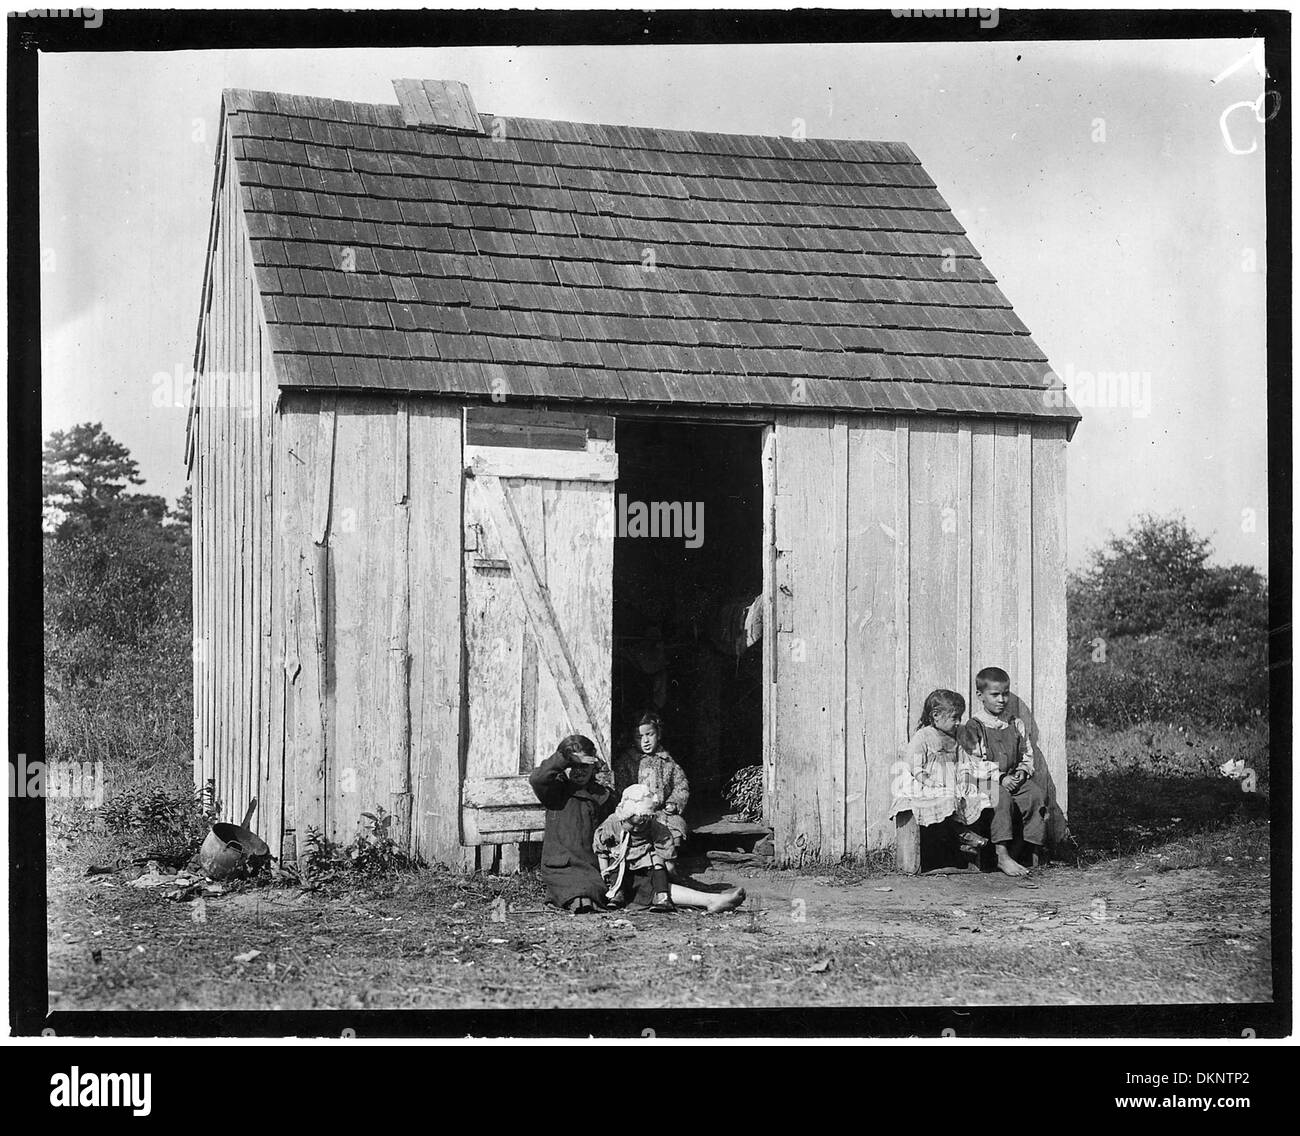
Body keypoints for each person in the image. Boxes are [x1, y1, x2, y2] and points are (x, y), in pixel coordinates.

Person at [595, 785, 747, 914]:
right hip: (620, 873)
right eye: (631, 824)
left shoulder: (655, 828)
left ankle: (711, 900)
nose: (636, 829)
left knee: (658, 877)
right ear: (623, 816)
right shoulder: (612, 824)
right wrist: (605, 875)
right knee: (625, 873)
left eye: (641, 825)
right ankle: (711, 900)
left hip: (645, 871)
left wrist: (670, 874)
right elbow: (602, 849)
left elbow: (666, 853)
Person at [962, 667, 1048, 877]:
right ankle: (1001, 855)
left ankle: (1029, 851)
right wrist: (1000, 777)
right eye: (995, 695)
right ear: (980, 696)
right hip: (983, 780)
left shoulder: (1014, 723)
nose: (1002, 699)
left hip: (1011, 777)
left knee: (1034, 795)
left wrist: (1022, 771)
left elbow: (1027, 753)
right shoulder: (974, 726)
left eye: (1006, 693)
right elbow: (972, 763)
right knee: (1001, 798)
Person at [888, 689, 992, 856]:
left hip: (952, 783)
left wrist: (965, 779)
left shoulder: (957, 736)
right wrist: (929, 782)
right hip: (926, 784)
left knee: (976, 797)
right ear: (936, 715)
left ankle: (961, 845)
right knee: (946, 799)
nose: (958, 722)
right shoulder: (923, 736)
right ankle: (963, 836)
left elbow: (964, 761)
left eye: (960, 717)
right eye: (954, 718)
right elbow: (914, 765)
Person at [529, 734, 613, 914]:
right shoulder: (556, 791)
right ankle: (581, 902)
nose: (579, 771)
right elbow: (537, 778)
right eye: (572, 766)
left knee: (605, 885)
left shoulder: (601, 795)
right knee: (578, 888)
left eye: (584, 766)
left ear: (593, 765)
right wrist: (563, 758)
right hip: (561, 864)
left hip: (590, 862)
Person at [613, 712, 690, 864]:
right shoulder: (627, 762)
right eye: (639, 737)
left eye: (650, 734)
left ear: (659, 734)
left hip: (660, 813)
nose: (645, 741)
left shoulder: (666, 761)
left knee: (676, 826)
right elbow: (619, 787)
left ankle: (668, 861)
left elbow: (681, 786)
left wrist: (674, 803)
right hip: (634, 813)